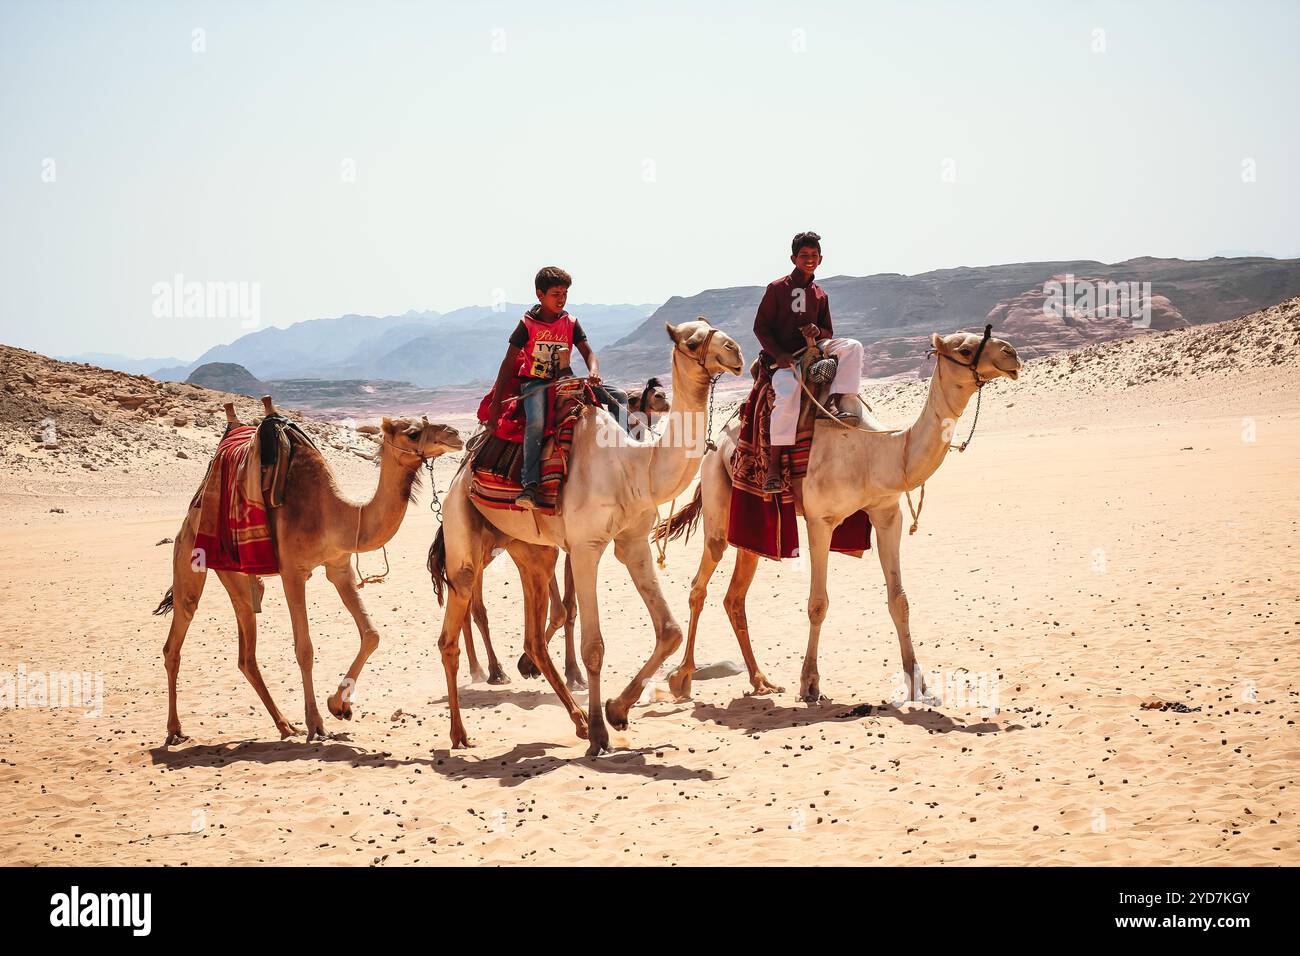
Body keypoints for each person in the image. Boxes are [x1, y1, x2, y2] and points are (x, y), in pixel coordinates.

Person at [485, 266, 626, 509]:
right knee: (536, 422)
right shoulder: (527, 325)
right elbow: (508, 363)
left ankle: (625, 459)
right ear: (540, 295)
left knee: (619, 398)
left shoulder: (570, 323)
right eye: (556, 294)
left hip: (564, 381)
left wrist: (594, 371)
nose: (561, 299)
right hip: (535, 383)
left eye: (565, 294)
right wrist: (495, 405)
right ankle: (530, 484)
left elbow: (588, 352)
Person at [753, 231, 866, 493]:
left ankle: (840, 401)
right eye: (804, 255)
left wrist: (818, 331)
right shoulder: (777, 289)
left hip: (813, 352)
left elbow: (829, 331)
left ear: (821, 259)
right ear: (793, 258)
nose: (809, 259)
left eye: (814, 255)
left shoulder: (820, 294)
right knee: (787, 396)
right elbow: (761, 327)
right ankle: (774, 465)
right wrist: (778, 354)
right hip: (783, 360)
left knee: (853, 347)